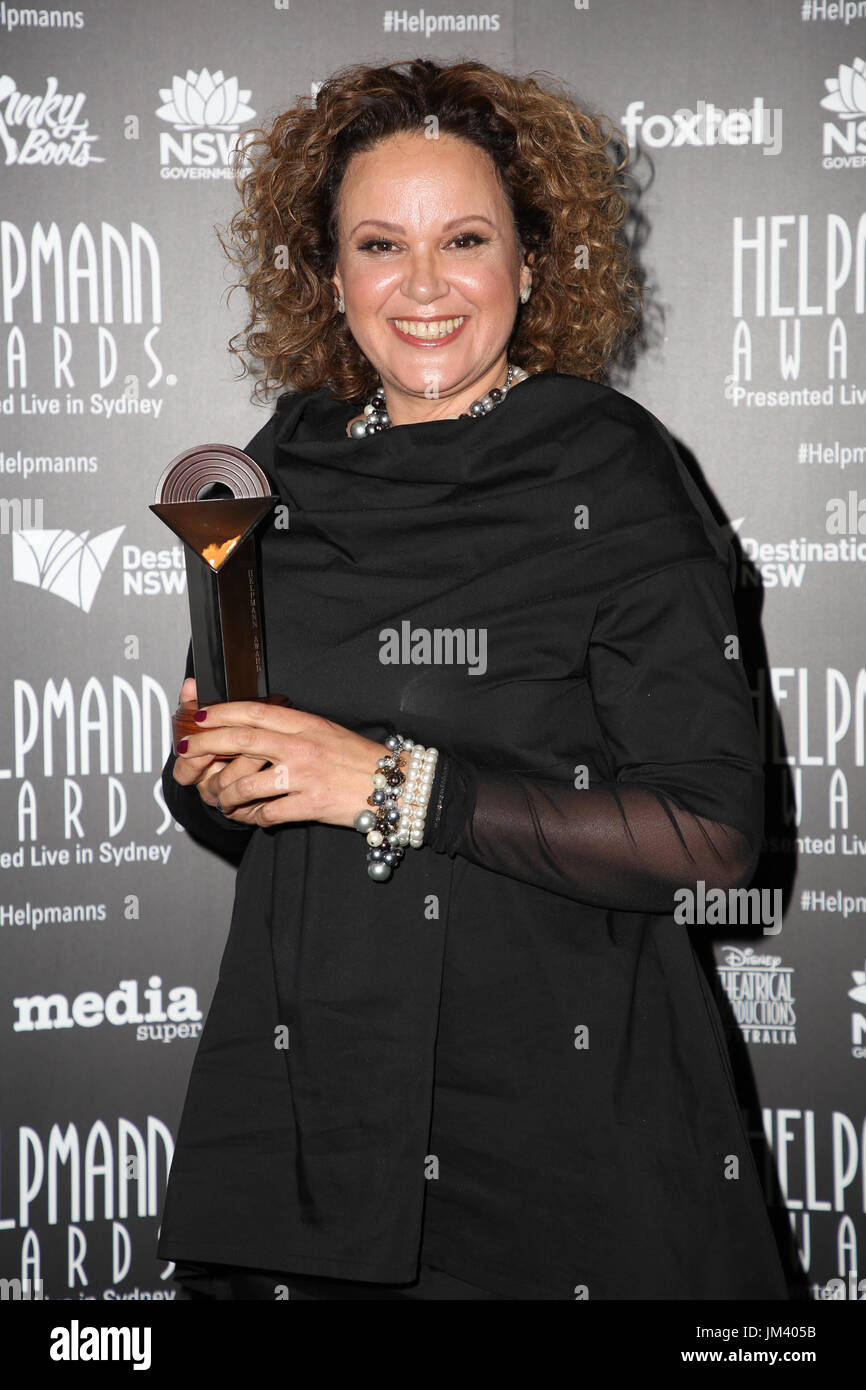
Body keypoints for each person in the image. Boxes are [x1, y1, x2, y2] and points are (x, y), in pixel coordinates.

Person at [156, 57, 789, 1301]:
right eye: (380, 244)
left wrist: (397, 786)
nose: (425, 285)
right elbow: (233, 788)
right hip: (309, 1128)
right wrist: (213, 777)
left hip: (558, 1123)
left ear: (533, 265)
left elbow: (714, 835)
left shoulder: (611, 469)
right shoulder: (273, 469)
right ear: (330, 278)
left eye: (466, 239)